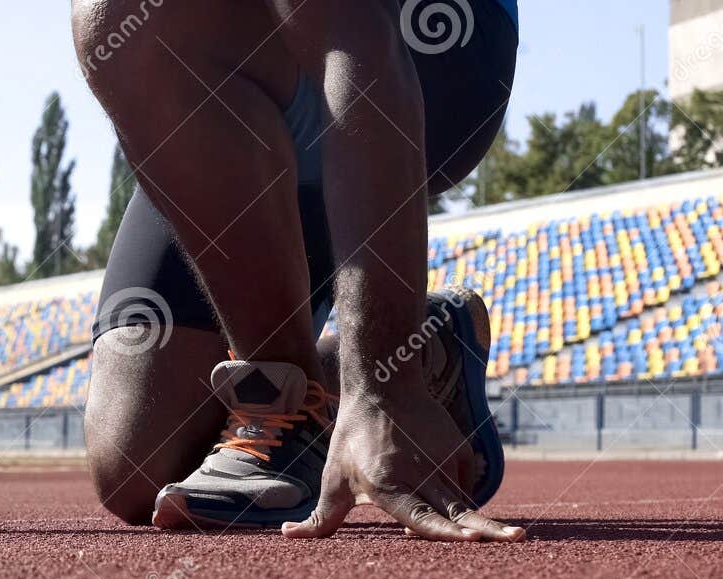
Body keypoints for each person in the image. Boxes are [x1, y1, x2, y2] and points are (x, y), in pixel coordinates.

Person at [73, 0, 525, 542]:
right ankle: (420, 350)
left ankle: (364, 373)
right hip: (237, 65)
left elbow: (354, 35)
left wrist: (384, 382)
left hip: (428, 44)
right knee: (137, 463)